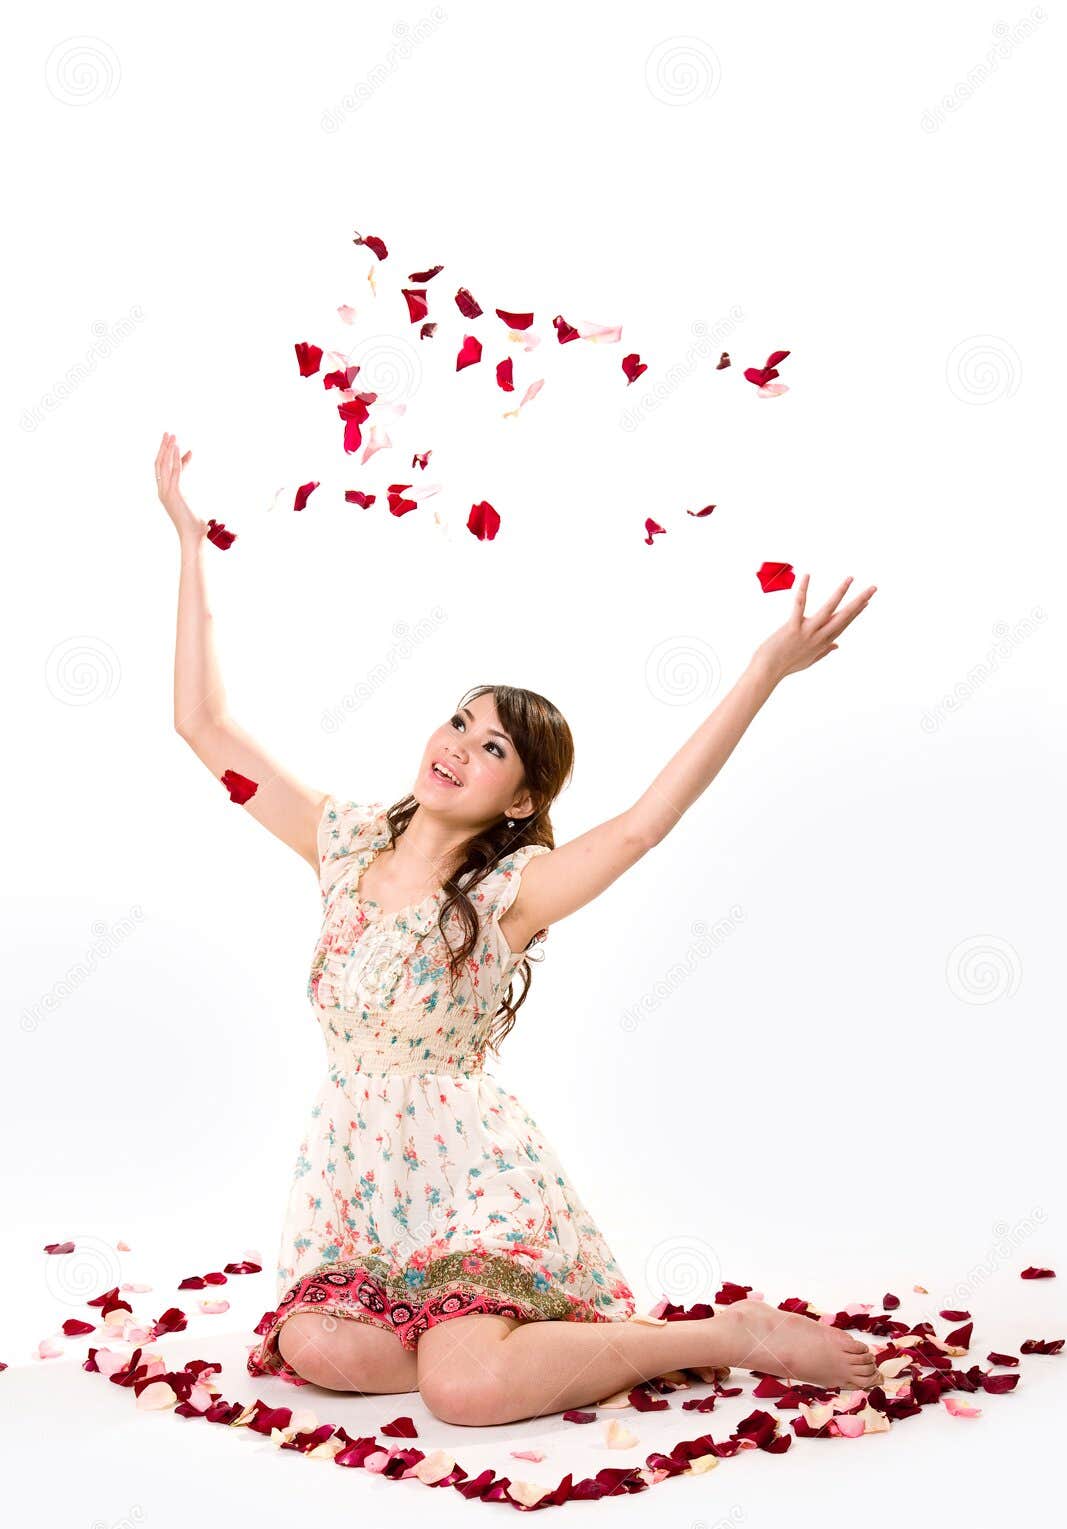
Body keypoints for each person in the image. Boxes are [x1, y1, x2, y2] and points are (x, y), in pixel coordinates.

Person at [156, 431, 879, 1430]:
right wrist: (190, 543)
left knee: (461, 1395)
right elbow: (203, 726)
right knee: (311, 1343)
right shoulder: (341, 839)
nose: (457, 745)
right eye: (459, 720)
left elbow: (641, 825)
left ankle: (723, 1335)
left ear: (519, 797)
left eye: (490, 745)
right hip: (361, 1196)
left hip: (471, 1184)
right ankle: (482, 1341)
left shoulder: (514, 890)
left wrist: (761, 670)